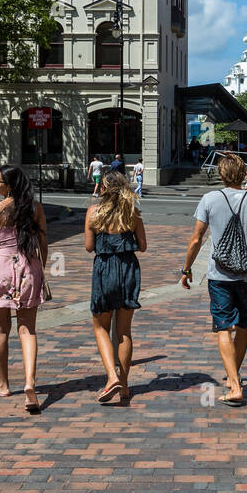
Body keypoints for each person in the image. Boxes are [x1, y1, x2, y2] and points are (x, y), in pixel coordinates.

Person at [181, 152, 247, 407]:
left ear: (222, 174)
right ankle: (234, 377)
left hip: (219, 275)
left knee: (223, 327)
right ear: (243, 174)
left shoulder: (209, 199)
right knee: (242, 327)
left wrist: (186, 269)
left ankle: (235, 385)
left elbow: (196, 238)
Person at [0, 166, 49, 414]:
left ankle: (4, 384)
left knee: (0, 330)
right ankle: (29, 383)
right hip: (28, 266)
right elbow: (44, 244)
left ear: (9, 186)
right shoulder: (35, 209)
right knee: (27, 330)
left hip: (0, 268)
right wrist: (38, 271)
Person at [85, 170, 146, 404]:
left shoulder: (93, 212)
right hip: (128, 269)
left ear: (103, 188)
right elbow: (143, 246)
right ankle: (125, 384)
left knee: (101, 326)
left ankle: (111, 376)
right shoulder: (133, 213)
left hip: (103, 269)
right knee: (124, 331)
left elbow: (89, 247)